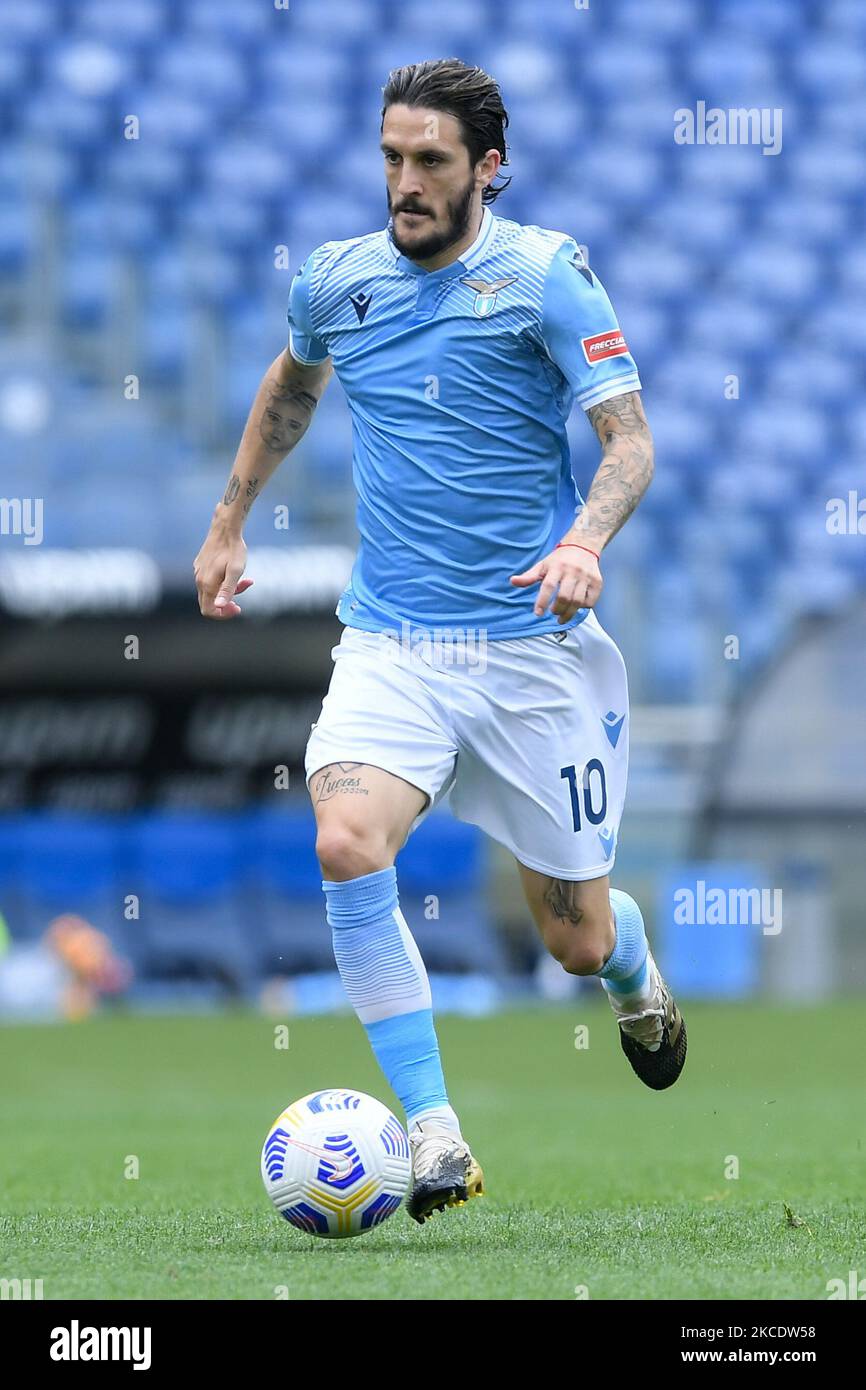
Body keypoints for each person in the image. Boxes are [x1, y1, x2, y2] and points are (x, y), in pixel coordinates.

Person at [195, 58, 686, 1225]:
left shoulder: (545, 276)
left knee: (571, 939)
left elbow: (628, 442)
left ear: (487, 171)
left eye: (429, 162)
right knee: (346, 842)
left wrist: (582, 541)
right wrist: (226, 522)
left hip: (529, 648)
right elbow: (291, 385)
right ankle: (432, 1132)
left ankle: (634, 967)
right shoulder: (335, 281)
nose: (403, 182)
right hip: (394, 642)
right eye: (390, 158)